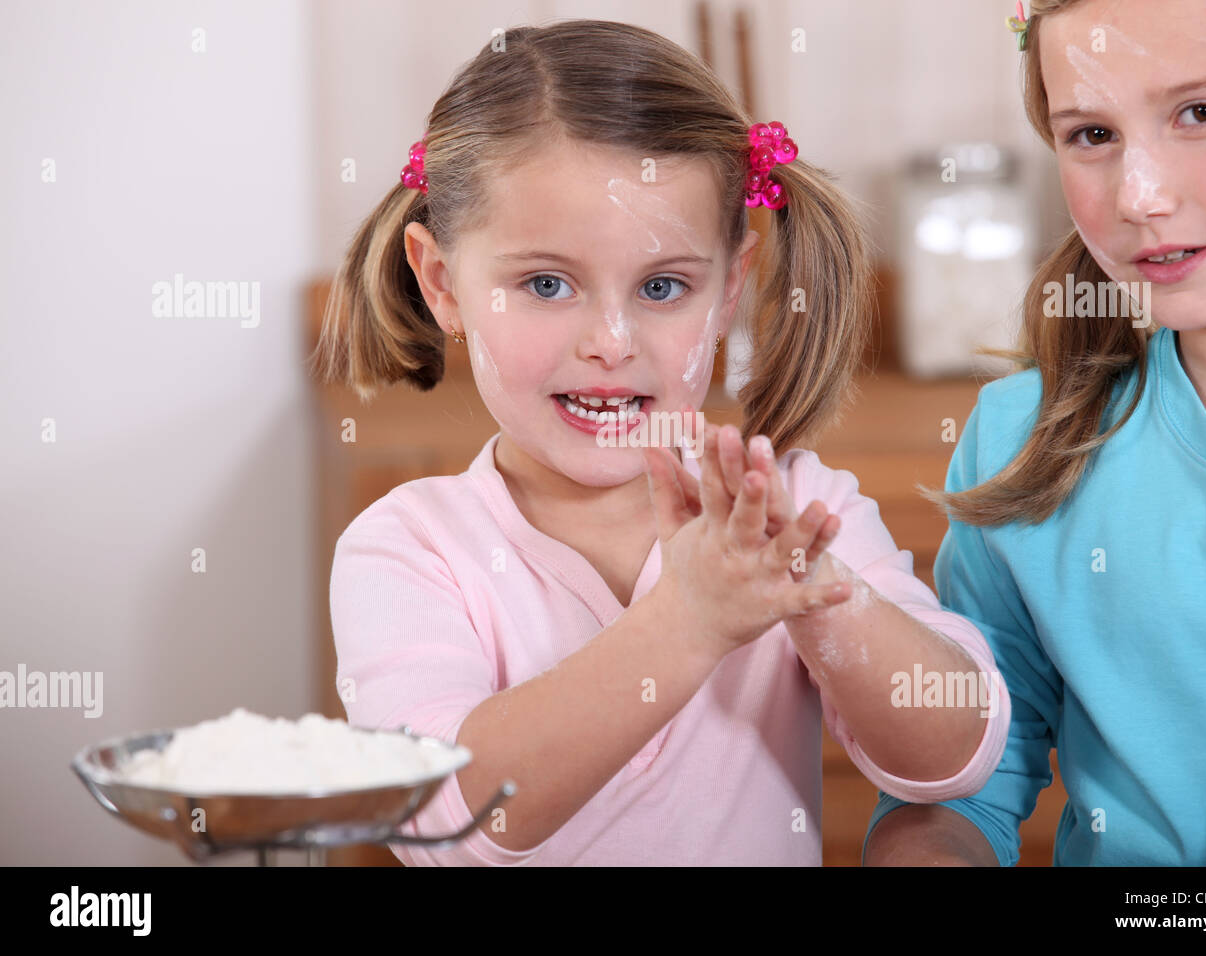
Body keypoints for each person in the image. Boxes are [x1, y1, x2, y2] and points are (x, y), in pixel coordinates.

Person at [313, 19, 1008, 865]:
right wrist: (689, 621)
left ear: (730, 291)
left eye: (664, 286)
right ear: (442, 283)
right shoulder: (407, 549)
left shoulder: (791, 509)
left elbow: (953, 756)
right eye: (545, 283)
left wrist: (828, 605)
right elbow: (444, 818)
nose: (612, 339)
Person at [864, 0, 1206, 866]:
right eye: (1092, 134)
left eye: (1201, 113)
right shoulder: (1025, 445)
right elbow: (961, 792)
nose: (1140, 196)